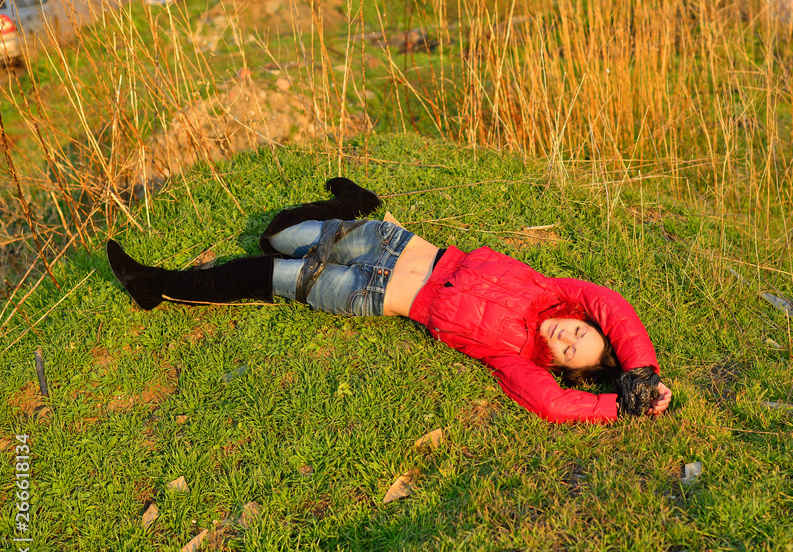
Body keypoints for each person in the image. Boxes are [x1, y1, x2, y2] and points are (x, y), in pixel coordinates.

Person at [106, 178, 672, 423]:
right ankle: (355, 202)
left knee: (268, 271)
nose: (569, 338)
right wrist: (641, 367)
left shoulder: (517, 360)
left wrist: (617, 405)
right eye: (580, 331)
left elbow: (551, 405)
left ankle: (156, 286)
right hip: (389, 241)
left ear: (563, 367)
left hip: (369, 293)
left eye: (574, 351)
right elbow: (610, 302)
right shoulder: (555, 293)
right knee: (276, 232)